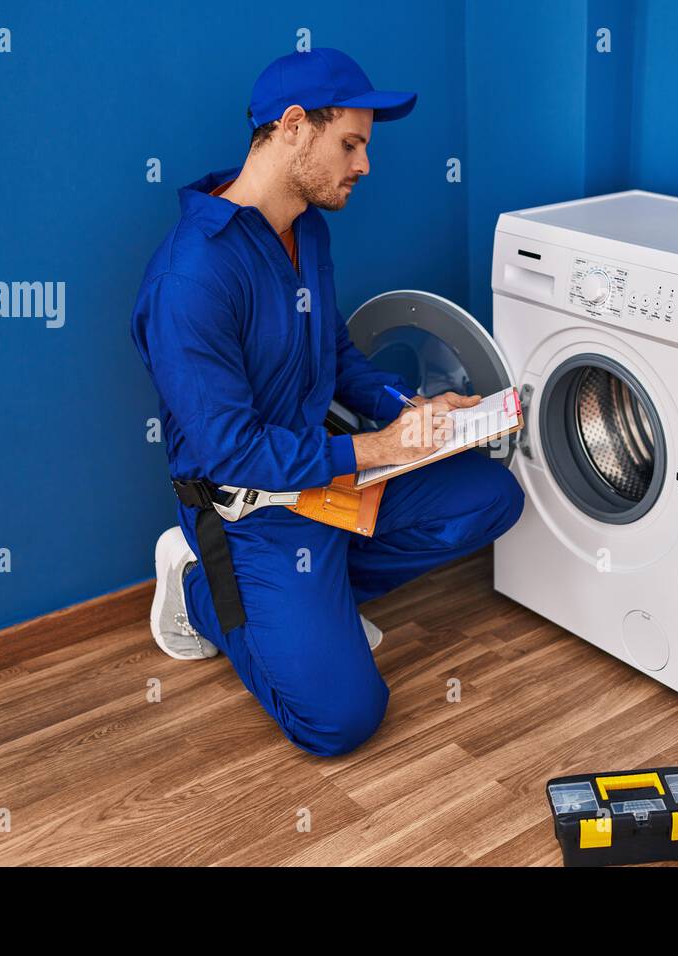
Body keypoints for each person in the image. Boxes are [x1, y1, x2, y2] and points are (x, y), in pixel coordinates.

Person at [129, 48, 524, 757]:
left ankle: (315, 605)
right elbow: (231, 449)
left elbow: (334, 357)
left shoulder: (306, 227)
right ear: (292, 127)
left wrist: (411, 411)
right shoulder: (191, 277)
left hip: (330, 484)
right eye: (351, 143)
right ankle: (205, 595)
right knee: (340, 722)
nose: (364, 163)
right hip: (250, 515)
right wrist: (377, 449)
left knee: (491, 495)